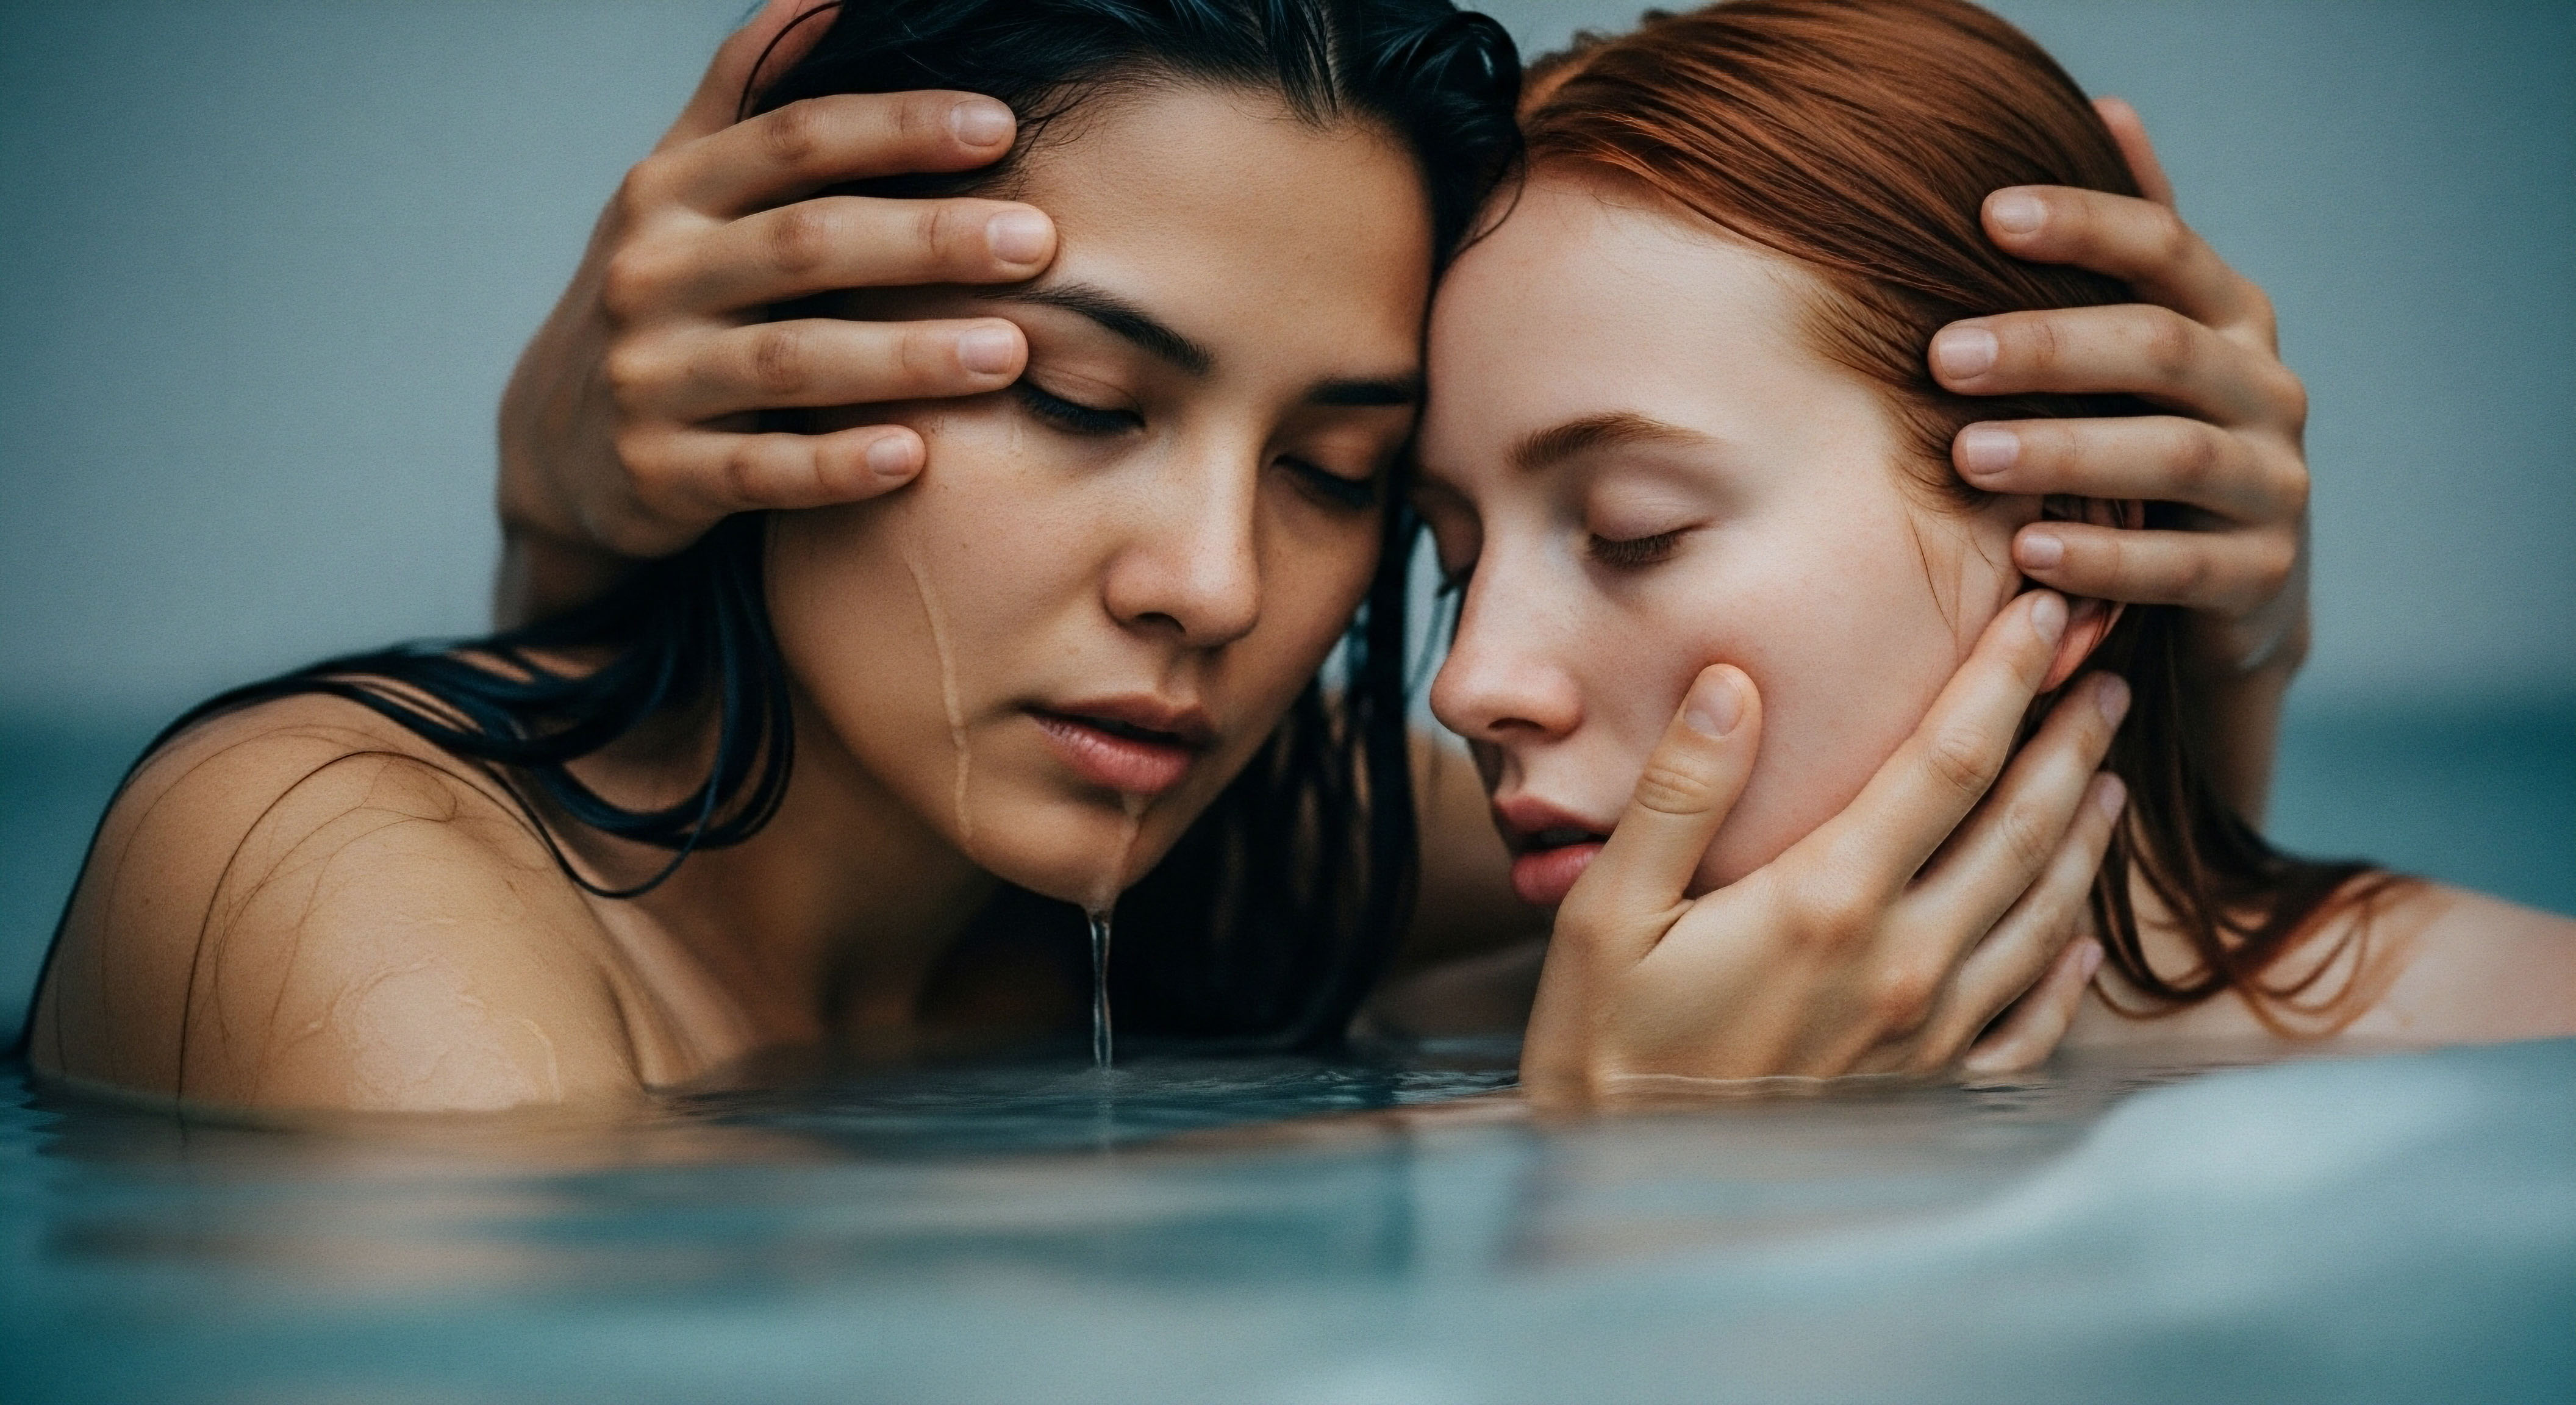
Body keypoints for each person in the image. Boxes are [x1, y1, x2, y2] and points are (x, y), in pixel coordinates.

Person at [26, 0, 2300, 1113]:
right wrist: (1624, 1181)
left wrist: (2222, 647)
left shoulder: (1247, 853)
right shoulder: (319, 870)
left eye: (1338, 477)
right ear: (775, 335)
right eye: (1085, 404)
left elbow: (1952, 924)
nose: (1217, 584)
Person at [1407, 0, 2576, 1090]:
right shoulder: (1430, 1045)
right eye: (1453, 560)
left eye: (1633, 534)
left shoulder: (2526, 1034)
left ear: (2071, 534)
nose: (1470, 684)